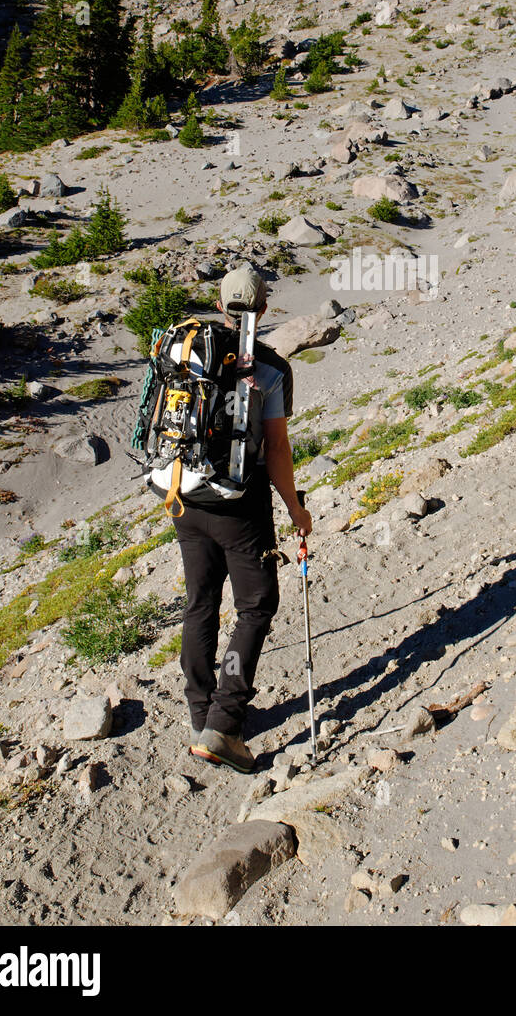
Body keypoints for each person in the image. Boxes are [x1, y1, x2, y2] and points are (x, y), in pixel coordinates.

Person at [172, 261, 312, 774]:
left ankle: (198, 714)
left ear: (218, 303)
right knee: (256, 605)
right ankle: (224, 724)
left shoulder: (187, 351)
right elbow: (275, 448)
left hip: (184, 497)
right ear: (265, 308)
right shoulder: (271, 368)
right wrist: (296, 508)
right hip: (239, 504)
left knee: (200, 602)